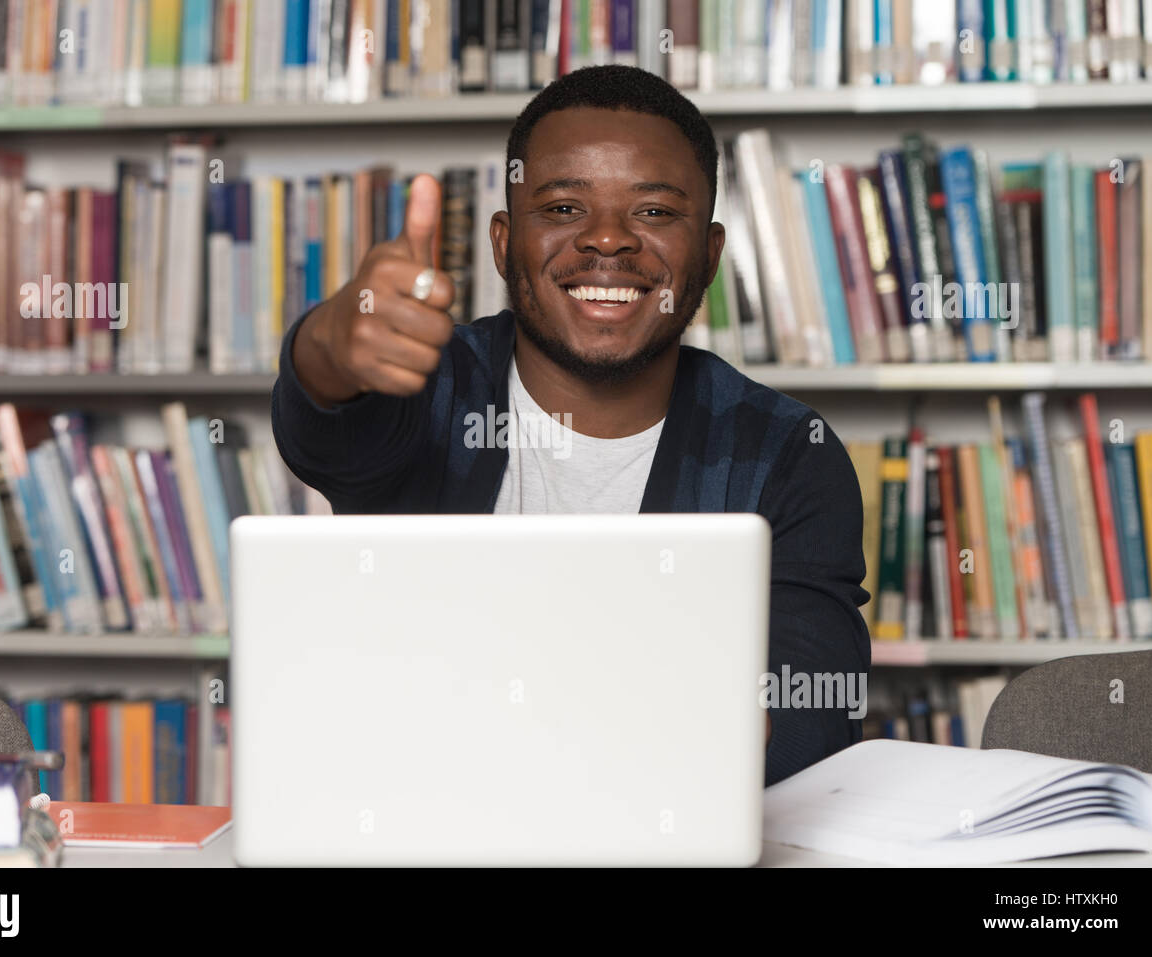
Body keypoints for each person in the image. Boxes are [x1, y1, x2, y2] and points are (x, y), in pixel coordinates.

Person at [272, 65, 869, 786]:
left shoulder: (785, 455)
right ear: (502, 243)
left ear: (709, 258)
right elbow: (323, 421)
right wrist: (333, 340)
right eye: (561, 209)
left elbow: (810, 721)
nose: (608, 241)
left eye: (653, 212)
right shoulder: (433, 389)